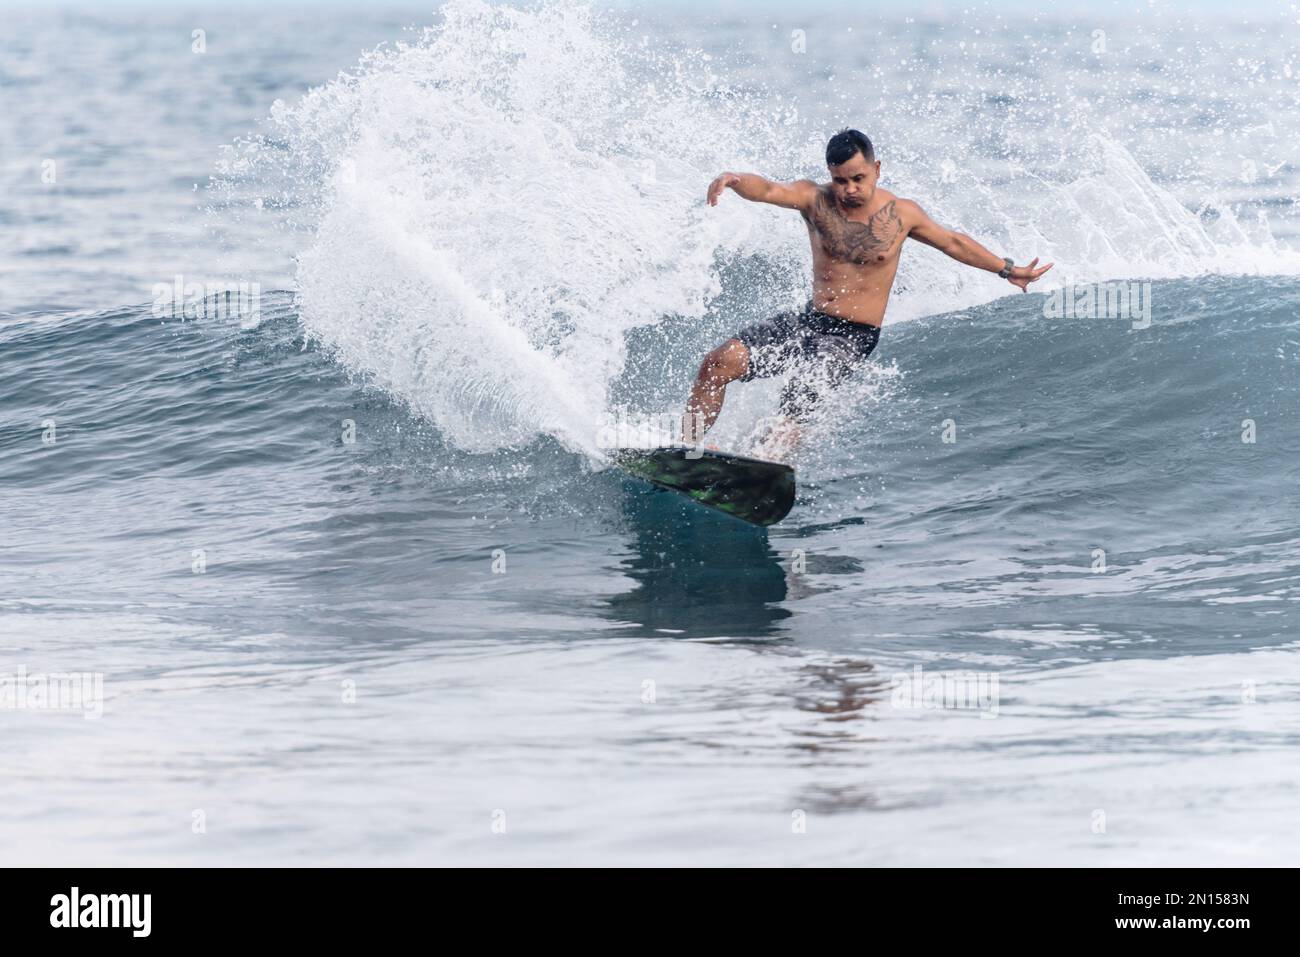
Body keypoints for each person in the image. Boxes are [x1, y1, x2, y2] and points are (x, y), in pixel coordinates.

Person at [683, 128, 1053, 459]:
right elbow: (767, 189)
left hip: (852, 336)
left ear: (877, 169)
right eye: (840, 180)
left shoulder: (902, 214)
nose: (850, 189)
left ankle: (760, 470)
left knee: (798, 402)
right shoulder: (814, 199)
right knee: (718, 362)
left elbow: (953, 242)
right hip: (809, 320)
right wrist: (732, 179)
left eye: (858, 178)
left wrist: (1007, 270)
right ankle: (686, 454)